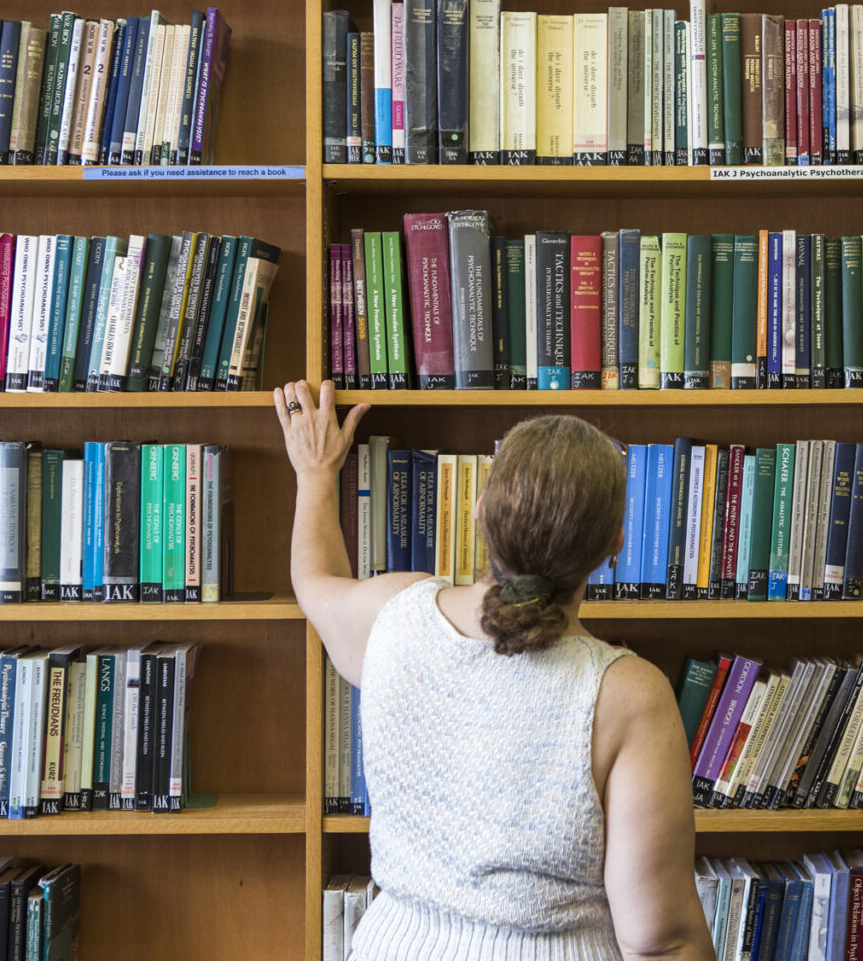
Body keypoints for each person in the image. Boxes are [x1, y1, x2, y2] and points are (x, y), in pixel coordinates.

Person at [274, 379, 716, 961]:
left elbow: (315, 584)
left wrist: (314, 475)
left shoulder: (393, 617)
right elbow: (661, 941)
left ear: (480, 512)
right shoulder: (627, 694)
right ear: (614, 546)